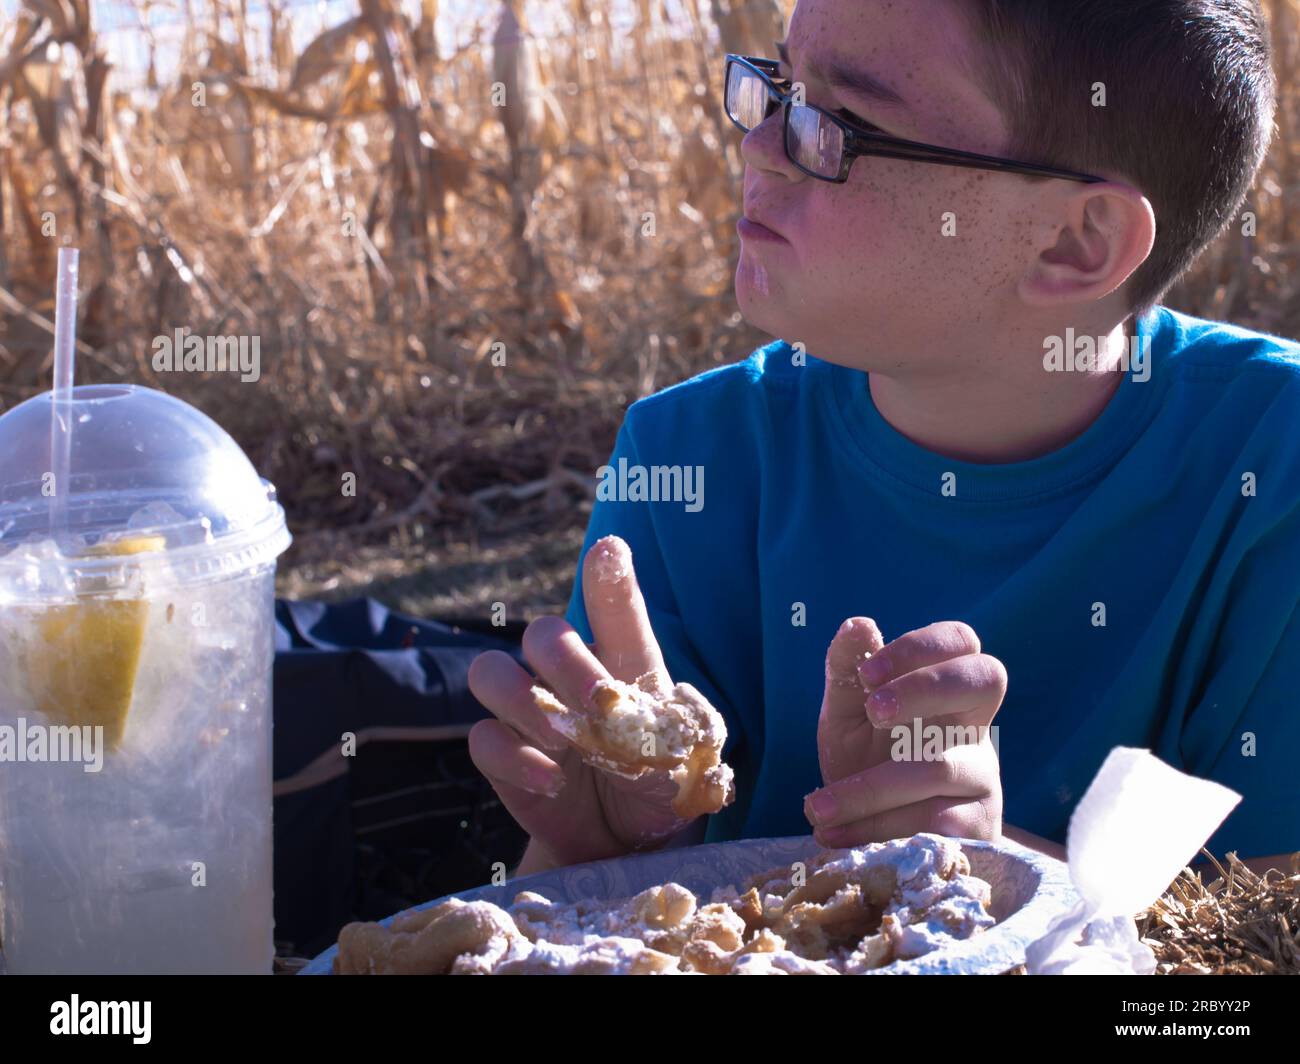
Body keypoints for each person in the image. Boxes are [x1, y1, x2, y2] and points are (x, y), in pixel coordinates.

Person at [467, 0, 1299, 879]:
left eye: (841, 124)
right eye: (779, 87)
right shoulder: (687, 457)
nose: (759, 147)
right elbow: (580, 903)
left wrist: (998, 873)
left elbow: (1260, 935)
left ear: (1074, 242)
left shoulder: (1272, 462)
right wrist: (596, 850)